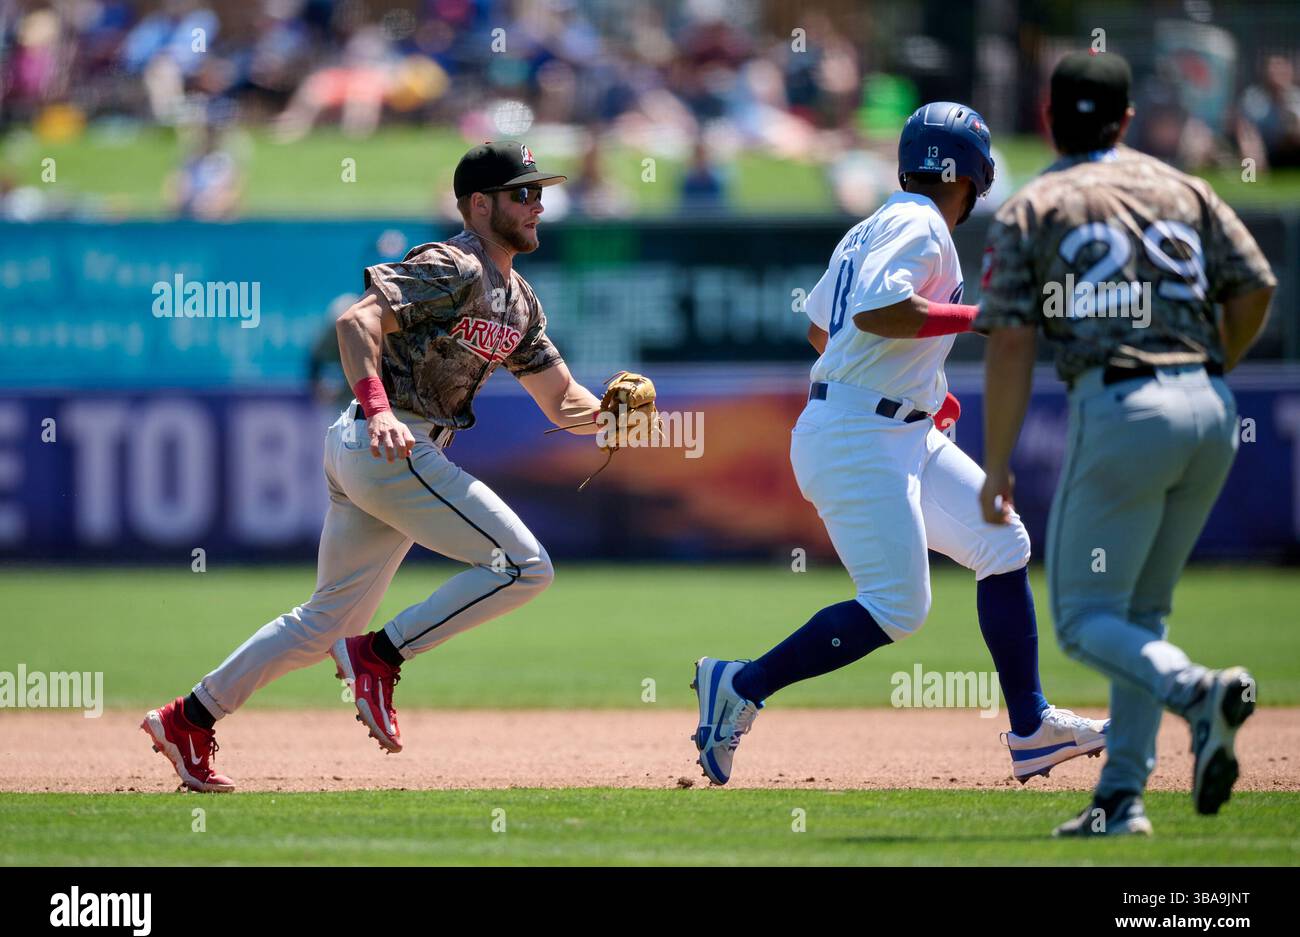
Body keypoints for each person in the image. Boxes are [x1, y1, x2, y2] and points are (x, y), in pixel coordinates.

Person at [142, 141, 639, 792]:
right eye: (522, 193)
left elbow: (560, 397)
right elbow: (357, 322)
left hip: (379, 452)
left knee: (324, 623)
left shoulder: (519, 301)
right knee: (525, 567)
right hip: (389, 437)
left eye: (539, 193)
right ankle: (379, 655)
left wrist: (607, 415)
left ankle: (189, 718)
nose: (537, 205)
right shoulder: (452, 263)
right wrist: (379, 411)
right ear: (480, 205)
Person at [691, 102, 1108, 787]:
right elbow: (875, 313)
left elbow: (823, 333)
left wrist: (920, 384)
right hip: (860, 434)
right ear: (972, 170)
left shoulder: (874, 224)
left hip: (891, 424)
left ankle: (1031, 729)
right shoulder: (920, 223)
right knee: (898, 606)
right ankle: (741, 683)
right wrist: (983, 318)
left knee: (1002, 543)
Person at [977, 53, 1276, 836]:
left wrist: (998, 461)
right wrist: (1213, 366)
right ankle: (1120, 798)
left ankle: (1198, 692)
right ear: (1129, 120)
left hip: (1122, 405)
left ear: (1046, 119)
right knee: (1141, 611)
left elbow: (1009, 343)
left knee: (1083, 620)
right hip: (1210, 409)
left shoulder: (1034, 205)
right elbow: (1257, 287)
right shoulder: (1184, 187)